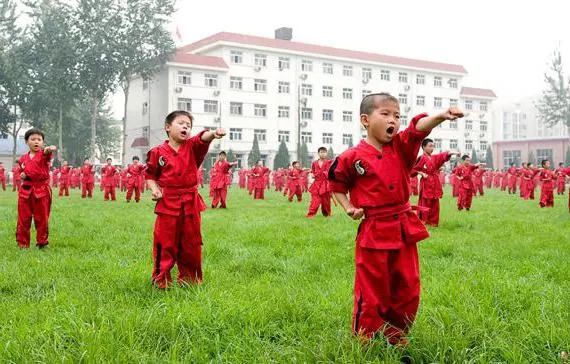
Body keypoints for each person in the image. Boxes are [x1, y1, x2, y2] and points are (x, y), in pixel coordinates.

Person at [328, 92, 464, 345]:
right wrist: (348, 208)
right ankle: (365, 338)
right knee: (372, 289)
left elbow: (416, 130)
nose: (394, 120)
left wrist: (440, 117)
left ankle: (395, 334)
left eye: (397, 115)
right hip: (373, 230)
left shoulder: (401, 148)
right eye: (386, 114)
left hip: (403, 227)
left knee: (408, 287)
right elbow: (336, 185)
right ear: (365, 120)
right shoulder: (350, 157)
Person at [145, 110, 226, 289]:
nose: (185, 127)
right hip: (167, 202)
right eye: (181, 123)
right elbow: (150, 175)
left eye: (188, 125)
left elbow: (202, 138)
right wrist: (155, 189)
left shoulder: (192, 147)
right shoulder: (157, 152)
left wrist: (213, 133)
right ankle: (160, 280)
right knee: (164, 242)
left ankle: (189, 281)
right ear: (168, 127)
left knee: (192, 243)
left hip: (190, 201)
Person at [15, 128, 56, 249]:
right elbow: (22, 170)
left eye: (39, 139)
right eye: (33, 139)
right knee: (23, 218)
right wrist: (22, 174)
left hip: (41, 190)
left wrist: (49, 149)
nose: (36, 141)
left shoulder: (43, 155)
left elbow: (47, 153)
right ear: (27, 141)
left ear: (42, 142)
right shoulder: (23, 158)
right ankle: (22, 243)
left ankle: (42, 242)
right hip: (26, 191)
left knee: (41, 218)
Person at [412, 139, 459, 226]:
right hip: (426, 183)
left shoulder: (433, 157)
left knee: (435, 202)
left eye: (433, 146)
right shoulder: (422, 158)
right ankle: (424, 220)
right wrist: (421, 173)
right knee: (425, 201)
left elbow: (441, 156)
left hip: (434, 182)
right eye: (430, 146)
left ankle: (433, 221)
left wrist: (452, 153)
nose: (432, 148)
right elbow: (413, 170)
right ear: (424, 147)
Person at [307, 147, 333, 217]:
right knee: (315, 200)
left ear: (326, 153)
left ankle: (326, 214)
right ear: (318, 153)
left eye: (324, 152)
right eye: (321, 152)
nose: (323, 154)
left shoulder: (329, 162)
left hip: (325, 185)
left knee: (326, 202)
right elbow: (313, 171)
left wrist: (325, 174)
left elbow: (332, 173)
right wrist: (313, 174)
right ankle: (311, 215)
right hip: (316, 184)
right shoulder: (314, 163)